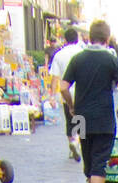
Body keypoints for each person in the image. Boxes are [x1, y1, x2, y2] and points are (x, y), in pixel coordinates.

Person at [61, 20, 118, 183]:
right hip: (103, 116)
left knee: (88, 156)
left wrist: (71, 105)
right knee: (100, 160)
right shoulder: (111, 60)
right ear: (107, 39)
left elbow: (63, 87)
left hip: (80, 115)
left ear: (89, 37)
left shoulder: (78, 59)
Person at [49, 27, 87, 162]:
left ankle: (72, 142)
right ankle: (78, 142)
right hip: (82, 90)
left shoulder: (59, 54)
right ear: (77, 39)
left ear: (65, 39)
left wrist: (52, 96)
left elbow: (55, 77)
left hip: (66, 91)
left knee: (69, 118)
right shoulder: (83, 53)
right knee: (80, 118)